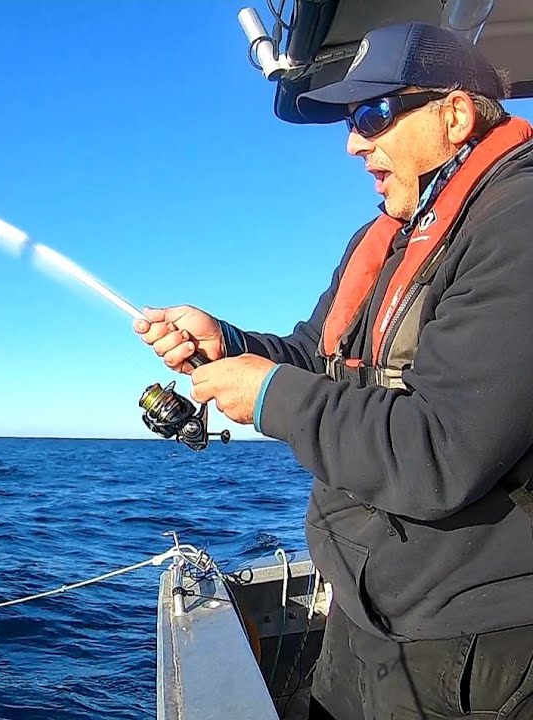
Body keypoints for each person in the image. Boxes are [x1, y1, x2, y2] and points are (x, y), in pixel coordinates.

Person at [134, 21, 533, 720]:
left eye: (373, 114)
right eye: (351, 120)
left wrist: (271, 396)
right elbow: (321, 355)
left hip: (472, 643)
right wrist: (226, 343)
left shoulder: (518, 225)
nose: (353, 142)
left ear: (455, 114)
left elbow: (442, 451)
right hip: (363, 607)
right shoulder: (387, 235)